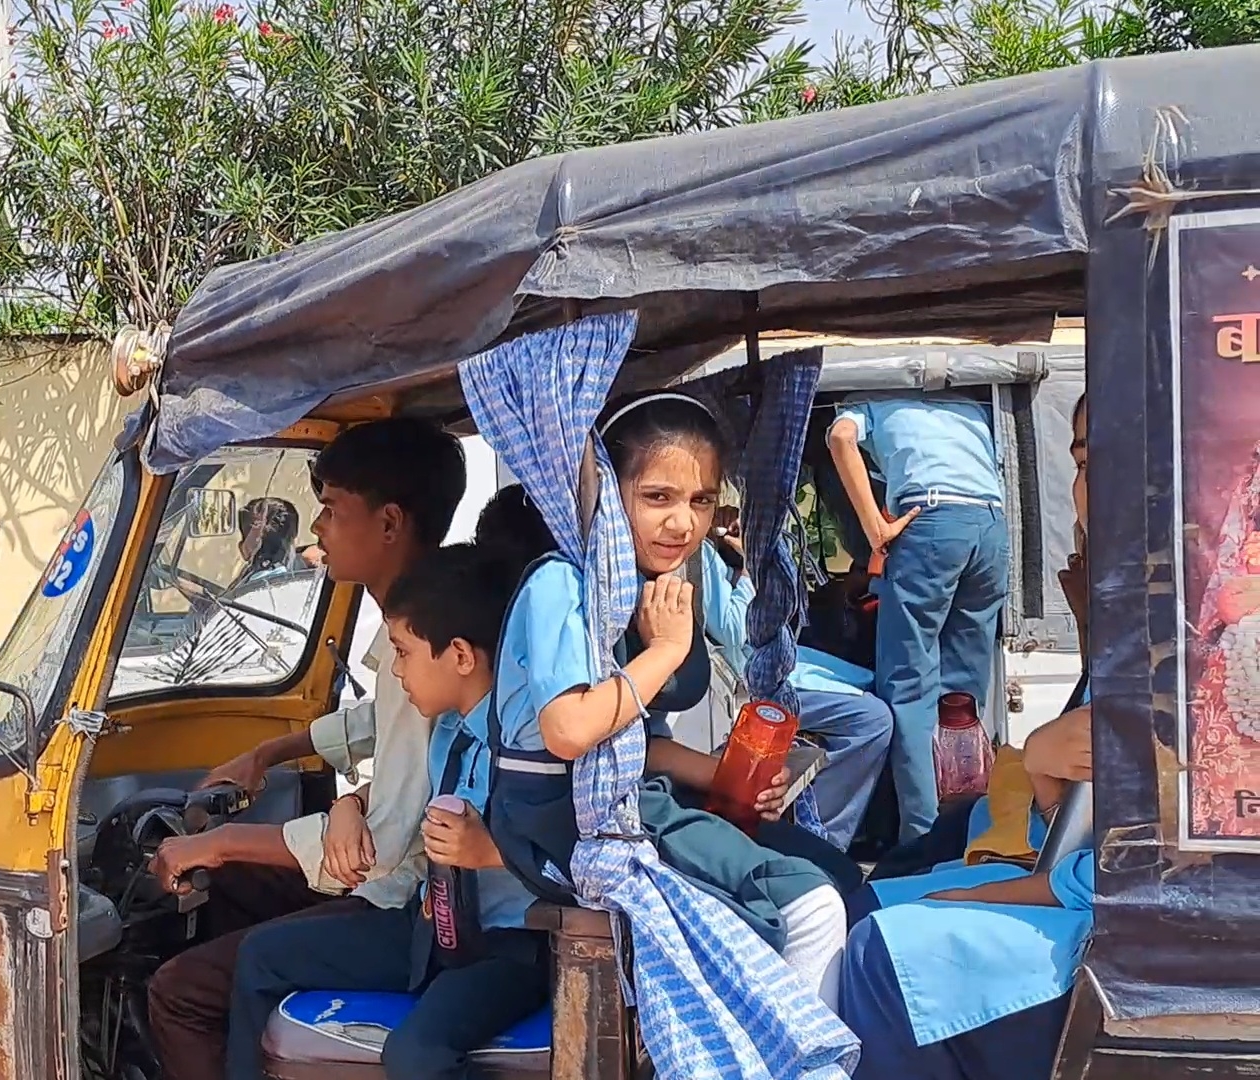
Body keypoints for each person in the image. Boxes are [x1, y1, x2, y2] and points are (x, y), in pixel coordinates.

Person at [487, 392, 849, 1007]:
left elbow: (639, 744)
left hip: (631, 796)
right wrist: (663, 653)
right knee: (810, 905)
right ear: (607, 489)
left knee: (832, 868)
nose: (683, 523)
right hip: (560, 820)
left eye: (701, 500)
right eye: (658, 497)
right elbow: (570, 732)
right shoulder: (562, 582)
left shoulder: (652, 579)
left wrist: (725, 781)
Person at [146, 418, 467, 1080]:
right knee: (230, 889)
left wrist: (219, 843)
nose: (315, 529)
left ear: (389, 524)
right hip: (398, 881)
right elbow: (378, 726)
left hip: (407, 907)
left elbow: (375, 851)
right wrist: (271, 752)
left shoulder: (430, 641)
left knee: (179, 993)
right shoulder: (418, 615)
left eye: (330, 510)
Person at [838, 392, 1094, 1080]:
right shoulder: (1138, 613)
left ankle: (923, 822)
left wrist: (875, 526)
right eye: (1082, 462)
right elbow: (1080, 820)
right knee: (881, 893)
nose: (1090, 488)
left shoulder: (1205, 637)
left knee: (880, 948)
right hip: (1074, 880)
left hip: (1117, 932)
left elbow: (1111, 875)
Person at [225, 544, 547, 1080]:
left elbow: (563, 853)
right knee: (260, 956)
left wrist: (489, 851)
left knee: (417, 1056)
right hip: (429, 932)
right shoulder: (446, 731)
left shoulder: (525, 739)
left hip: (505, 948)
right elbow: (395, 790)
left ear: (461, 656)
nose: (396, 673)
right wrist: (349, 803)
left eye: (402, 652)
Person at [827, 390, 1010, 844]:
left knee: (911, 688)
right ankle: (968, 828)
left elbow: (840, 437)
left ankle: (922, 838)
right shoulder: (968, 395)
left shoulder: (872, 387)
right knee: (963, 692)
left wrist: (874, 528)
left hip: (929, 520)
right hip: (990, 525)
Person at [690, 518, 894, 852]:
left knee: (876, 684)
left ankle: (845, 827)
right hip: (752, 674)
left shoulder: (710, 548)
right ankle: (820, 838)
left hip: (776, 656)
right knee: (873, 720)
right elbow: (732, 629)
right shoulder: (696, 554)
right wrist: (750, 568)